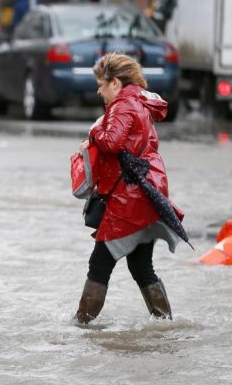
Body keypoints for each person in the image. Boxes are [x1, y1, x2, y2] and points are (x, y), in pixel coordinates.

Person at [74, 52, 183, 324]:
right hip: (144, 194)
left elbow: (111, 142)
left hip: (129, 201)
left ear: (116, 83)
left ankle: (81, 326)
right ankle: (165, 324)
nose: (99, 91)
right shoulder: (139, 102)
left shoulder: (123, 105)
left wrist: (93, 135)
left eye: (101, 85)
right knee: (141, 266)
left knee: (99, 264)